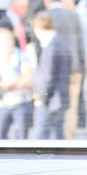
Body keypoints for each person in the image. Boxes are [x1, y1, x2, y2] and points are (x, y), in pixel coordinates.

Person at [42, 0, 85, 139]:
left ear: (47, 1)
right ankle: (68, 139)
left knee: (52, 103)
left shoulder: (44, 17)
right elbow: (81, 43)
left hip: (53, 69)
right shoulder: (73, 16)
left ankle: (54, 138)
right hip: (74, 67)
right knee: (71, 106)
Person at [30, 12, 73, 140]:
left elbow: (47, 77)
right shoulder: (62, 44)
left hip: (50, 101)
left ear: (38, 28)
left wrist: (41, 98)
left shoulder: (51, 47)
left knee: (40, 141)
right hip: (60, 99)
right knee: (57, 138)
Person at [0, 27, 34, 139]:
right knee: (0, 136)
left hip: (21, 101)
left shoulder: (20, 55)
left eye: (11, 40)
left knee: (21, 137)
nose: (10, 43)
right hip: (2, 103)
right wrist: (16, 80)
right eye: (7, 40)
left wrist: (7, 83)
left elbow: (27, 80)